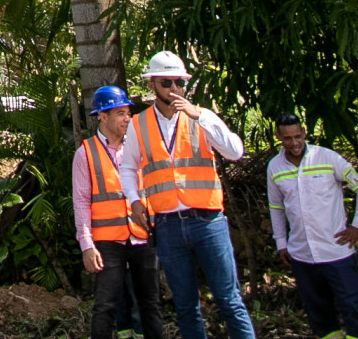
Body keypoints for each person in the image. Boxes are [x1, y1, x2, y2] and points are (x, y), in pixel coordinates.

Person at [119, 51, 254, 339]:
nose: (174, 89)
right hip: (167, 226)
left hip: (208, 222)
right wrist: (133, 201)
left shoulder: (201, 117)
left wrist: (202, 116)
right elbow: (128, 168)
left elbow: (235, 152)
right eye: (167, 82)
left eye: (179, 82)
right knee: (185, 307)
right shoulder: (138, 124)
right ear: (152, 85)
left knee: (229, 301)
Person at [267, 114, 358, 339]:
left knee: (352, 307)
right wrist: (281, 242)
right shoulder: (275, 167)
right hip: (302, 254)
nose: (294, 143)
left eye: (298, 136)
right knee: (318, 312)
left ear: (304, 133)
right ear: (278, 137)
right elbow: (276, 207)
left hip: (336, 250)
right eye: (287, 138)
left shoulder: (325, 157)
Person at [75, 85, 164, 339]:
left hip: (142, 236)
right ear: (102, 116)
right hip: (107, 242)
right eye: (121, 113)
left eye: (128, 113)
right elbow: (81, 201)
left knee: (150, 304)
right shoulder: (85, 153)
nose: (127, 118)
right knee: (104, 306)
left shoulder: (139, 147)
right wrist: (87, 245)